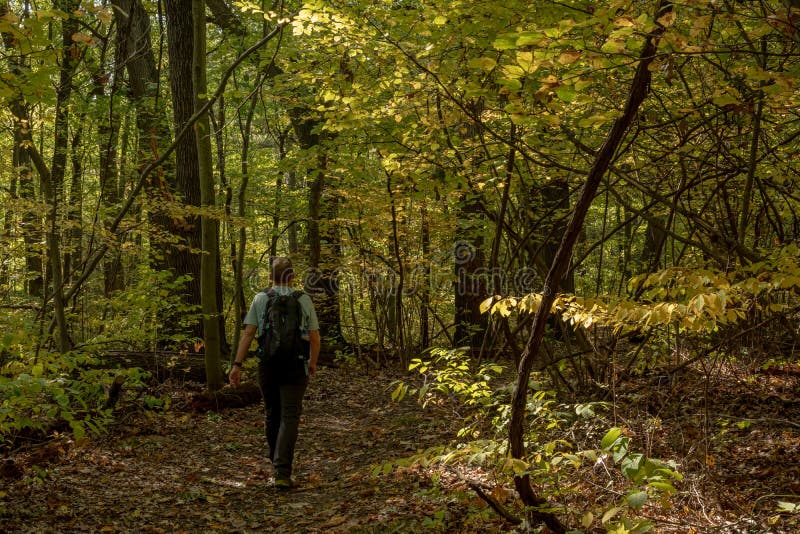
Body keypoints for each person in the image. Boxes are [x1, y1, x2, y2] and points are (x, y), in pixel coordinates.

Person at [229, 257, 320, 490]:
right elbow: (315, 336)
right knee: (290, 416)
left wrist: (237, 365)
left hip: (267, 365)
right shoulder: (303, 299)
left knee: (272, 414)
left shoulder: (261, 298)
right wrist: (312, 361)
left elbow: (248, 333)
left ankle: (275, 461)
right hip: (295, 364)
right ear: (292, 277)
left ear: (270, 277)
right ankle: (282, 471)